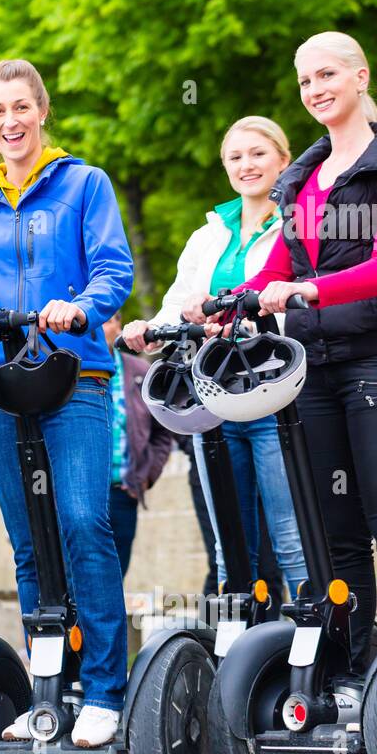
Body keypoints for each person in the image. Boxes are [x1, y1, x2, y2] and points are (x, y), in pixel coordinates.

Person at [0, 59, 134, 747]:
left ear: (41, 111)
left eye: (22, 107)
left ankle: (104, 691)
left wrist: (82, 306)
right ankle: (50, 687)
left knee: (80, 522)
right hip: (0, 383)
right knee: (27, 542)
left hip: (75, 376)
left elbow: (114, 269)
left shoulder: (84, 184)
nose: (10, 121)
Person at [229, 31, 377, 666]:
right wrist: (226, 305)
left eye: (326, 76)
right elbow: (275, 269)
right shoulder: (304, 180)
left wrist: (304, 293)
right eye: (304, 82)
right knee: (338, 544)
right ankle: (351, 680)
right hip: (314, 375)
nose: (315, 90)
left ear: (360, 76)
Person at [122, 116, 308, 600]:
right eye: (235, 157)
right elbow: (177, 302)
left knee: (291, 539)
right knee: (230, 547)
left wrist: (242, 315)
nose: (247, 165)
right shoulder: (208, 233)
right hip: (213, 395)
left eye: (258, 154)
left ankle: (320, 654)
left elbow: (300, 300)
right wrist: (147, 330)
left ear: (283, 161)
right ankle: (242, 658)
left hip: (270, 392)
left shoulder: (296, 224)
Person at [100, 313, 175, 576]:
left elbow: (162, 430)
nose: (101, 327)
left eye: (107, 320)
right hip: (83, 493)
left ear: (119, 326)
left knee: (117, 572)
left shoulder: (140, 372)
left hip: (123, 490)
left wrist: (145, 475)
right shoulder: (68, 370)